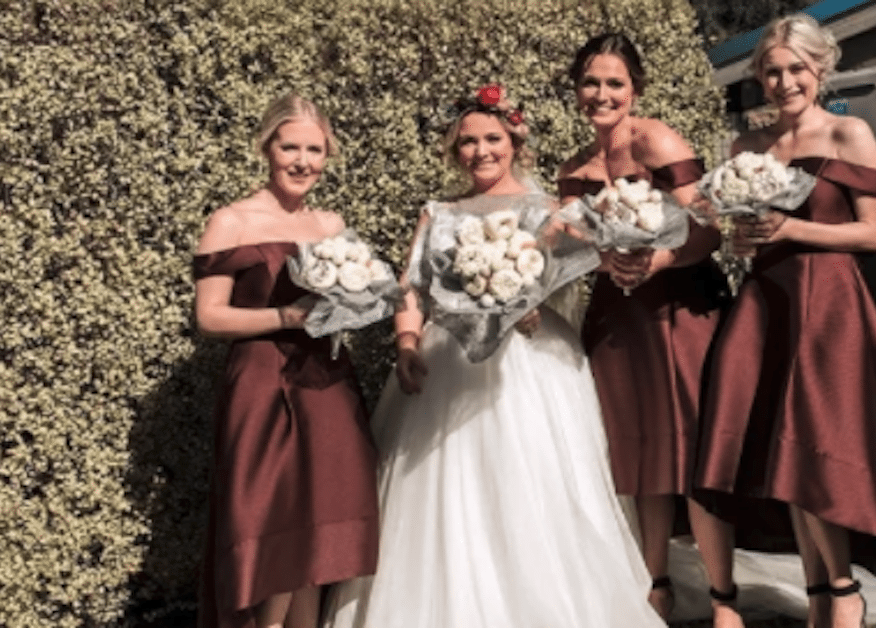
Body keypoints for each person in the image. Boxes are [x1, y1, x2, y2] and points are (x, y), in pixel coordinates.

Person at [321, 86, 665, 627]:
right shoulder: (438, 212)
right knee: (448, 487)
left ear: (515, 142)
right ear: (453, 150)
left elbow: (582, 265)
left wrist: (533, 299)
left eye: (492, 139)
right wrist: (407, 343)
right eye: (468, 142)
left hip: (532, 363)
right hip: (449, 359)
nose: (480, 151)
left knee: (533, 481)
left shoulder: (549, 210)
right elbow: (413, 285)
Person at [689, 14, 876, 628]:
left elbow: (875, 234)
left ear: (820, 68)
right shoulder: (746, 149)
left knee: (813, 448)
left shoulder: (849, 134)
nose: (784, 81)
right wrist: (741, 238)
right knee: (776, 448)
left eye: (796, 68)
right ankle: (821, 596)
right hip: (765, 305)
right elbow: (738, 229)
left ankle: (843, 592)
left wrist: (793, 229)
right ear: (758, 79)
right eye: (771, 71)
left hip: (828, 308)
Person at [555, 32, 730, 621]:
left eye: (614, 83)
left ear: (636, 89)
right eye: (590, 82)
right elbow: (577, 249)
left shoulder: (657, 141)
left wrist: (659, 258)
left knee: (694, 446)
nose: (601, 94)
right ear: (576, 88)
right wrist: (603, 259)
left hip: (679, 305)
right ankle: (655, 585)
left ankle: (723, 594)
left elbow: (708, 228)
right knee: (639, 449)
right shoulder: (572, 169)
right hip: (618, 313)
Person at [192, 93, 379, 628]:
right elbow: (211, 317)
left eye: (315, 150)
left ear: (329, 154)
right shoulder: (230, 222)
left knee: (320, 527)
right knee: (273, 524)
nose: (303, 161)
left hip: (328, 386)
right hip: (261, 388)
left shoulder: (331, 224)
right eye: (290, 146)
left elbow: (352, 299)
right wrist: (285, 319)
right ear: (266, 147)